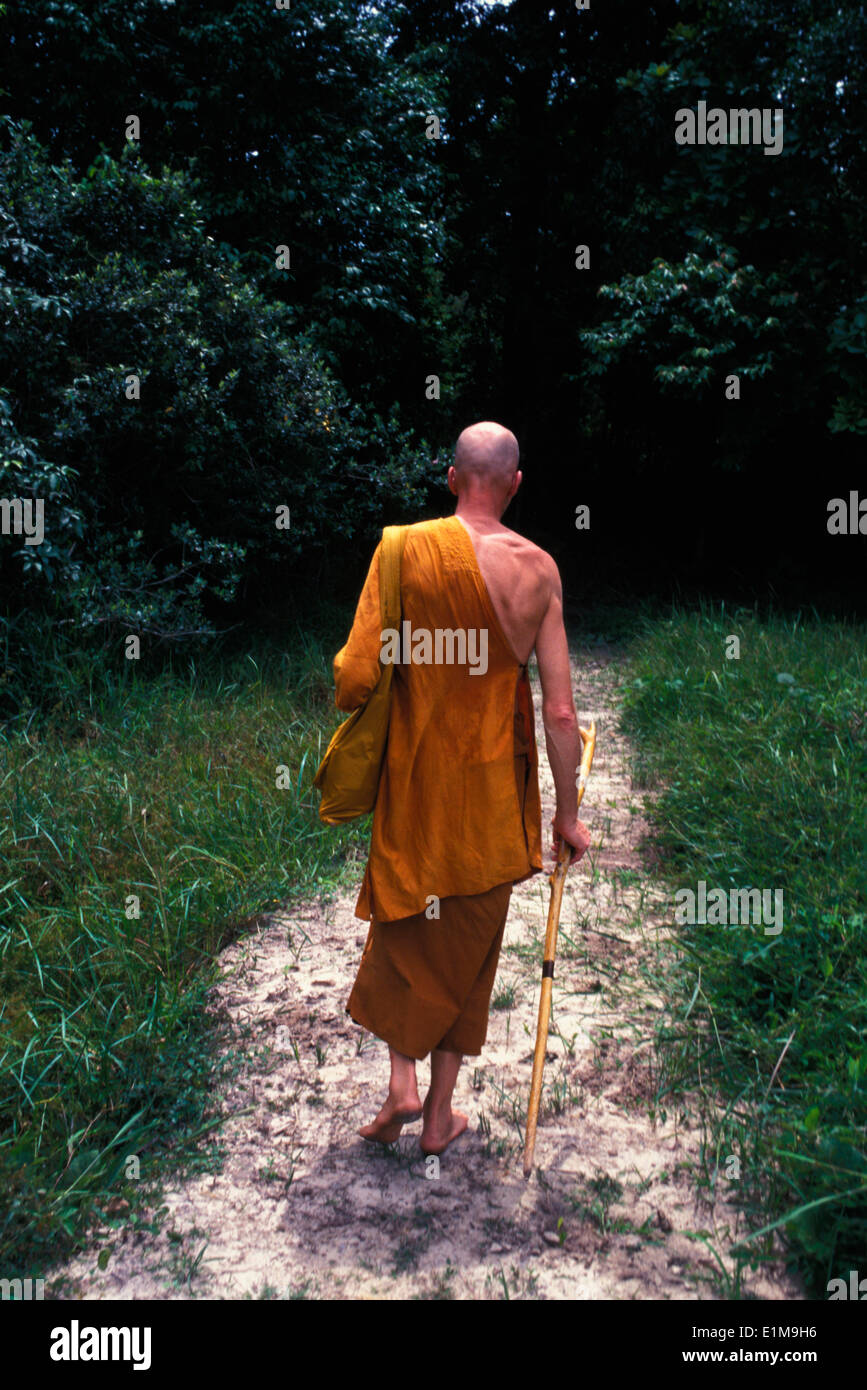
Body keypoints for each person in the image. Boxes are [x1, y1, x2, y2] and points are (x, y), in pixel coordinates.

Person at [331, 421, 590, 1156]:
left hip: (416, 781)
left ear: (450, 478)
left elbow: (354, 678)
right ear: (514, 485)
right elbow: (561, 711)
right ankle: (439, 1115)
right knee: (468, 943)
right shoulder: (539, 568)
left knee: (406, 923)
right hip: (491, 793)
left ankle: (401, 1088)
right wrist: (566, 818)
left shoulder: (403, 549)